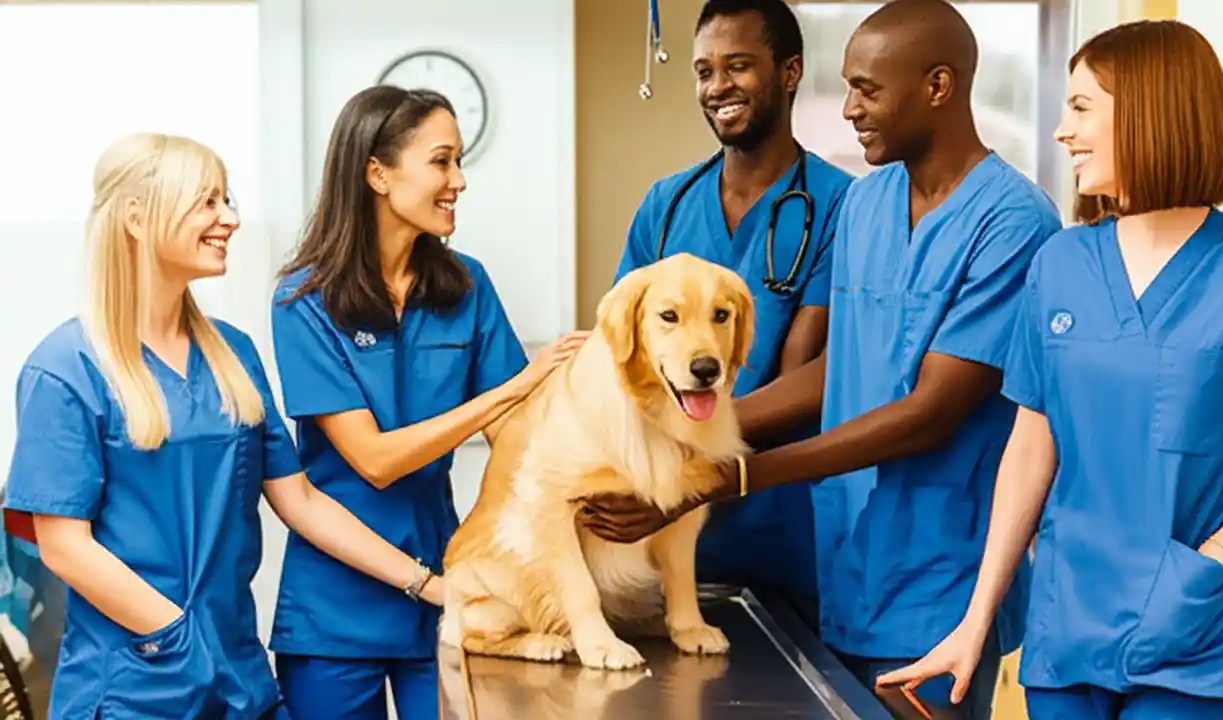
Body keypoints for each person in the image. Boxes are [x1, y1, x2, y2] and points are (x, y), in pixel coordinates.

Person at [578, 1, 1062, 718]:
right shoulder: (867, 207)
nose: (850, 110)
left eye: (867, 90)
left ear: (937, 86)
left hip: (937, 572)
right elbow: (842, 367)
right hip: (840, 557)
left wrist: (725, 473)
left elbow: (930, 413)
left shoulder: (1014, 222)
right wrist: (688, 445)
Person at [2, 132, 490, 719]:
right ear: (136, 217)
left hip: (238, 681)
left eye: (227, 200)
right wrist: (182, 640)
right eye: (207, 201)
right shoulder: (65, 368)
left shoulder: (232, 357)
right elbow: (66, 549)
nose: (229, 218)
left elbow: (302, 502)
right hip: (133, 688)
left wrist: (430, 585)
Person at [877, 19, 1223, 720]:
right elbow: (1032, 444)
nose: (1062, 132)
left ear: (1155, 109)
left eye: (1082, 107)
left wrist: (1211, 563)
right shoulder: (1060, 264)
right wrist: (978, 621)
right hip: (1067, 631)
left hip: (1191, 634)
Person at [267, 85, 588, 720]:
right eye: (441, 161)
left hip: (451, 593)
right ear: (377, 173)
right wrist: (510, 391)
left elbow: (519, 440)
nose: (459, 181)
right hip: (335, 613)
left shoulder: (465, 286)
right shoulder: (303, 301)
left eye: (459, 162)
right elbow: (374, 460)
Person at [612, 0, 852, 626]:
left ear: (790, 71)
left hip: (785, 532)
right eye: (703, 71)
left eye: (738, 66)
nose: (718, 87)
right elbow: (622, 357)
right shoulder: (666, 206)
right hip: (666, 531)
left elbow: (814, 367)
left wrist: (699, 450)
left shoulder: (840, 207)